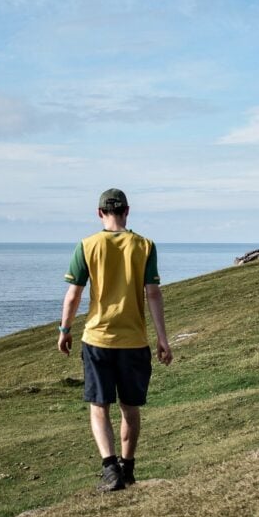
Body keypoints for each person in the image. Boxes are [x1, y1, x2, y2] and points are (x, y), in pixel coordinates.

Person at [57, 188, 172, 492]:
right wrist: (163, 338)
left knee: (99, 406)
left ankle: (110, 470)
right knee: (130, 408)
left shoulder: (87, 245)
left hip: (97, 339)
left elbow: (73, 295)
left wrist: (64, 330)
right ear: (127, 211)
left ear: (99, 213)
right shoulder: (145, 246)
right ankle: (128, 467)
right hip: (134, 341)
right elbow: (153, 294)